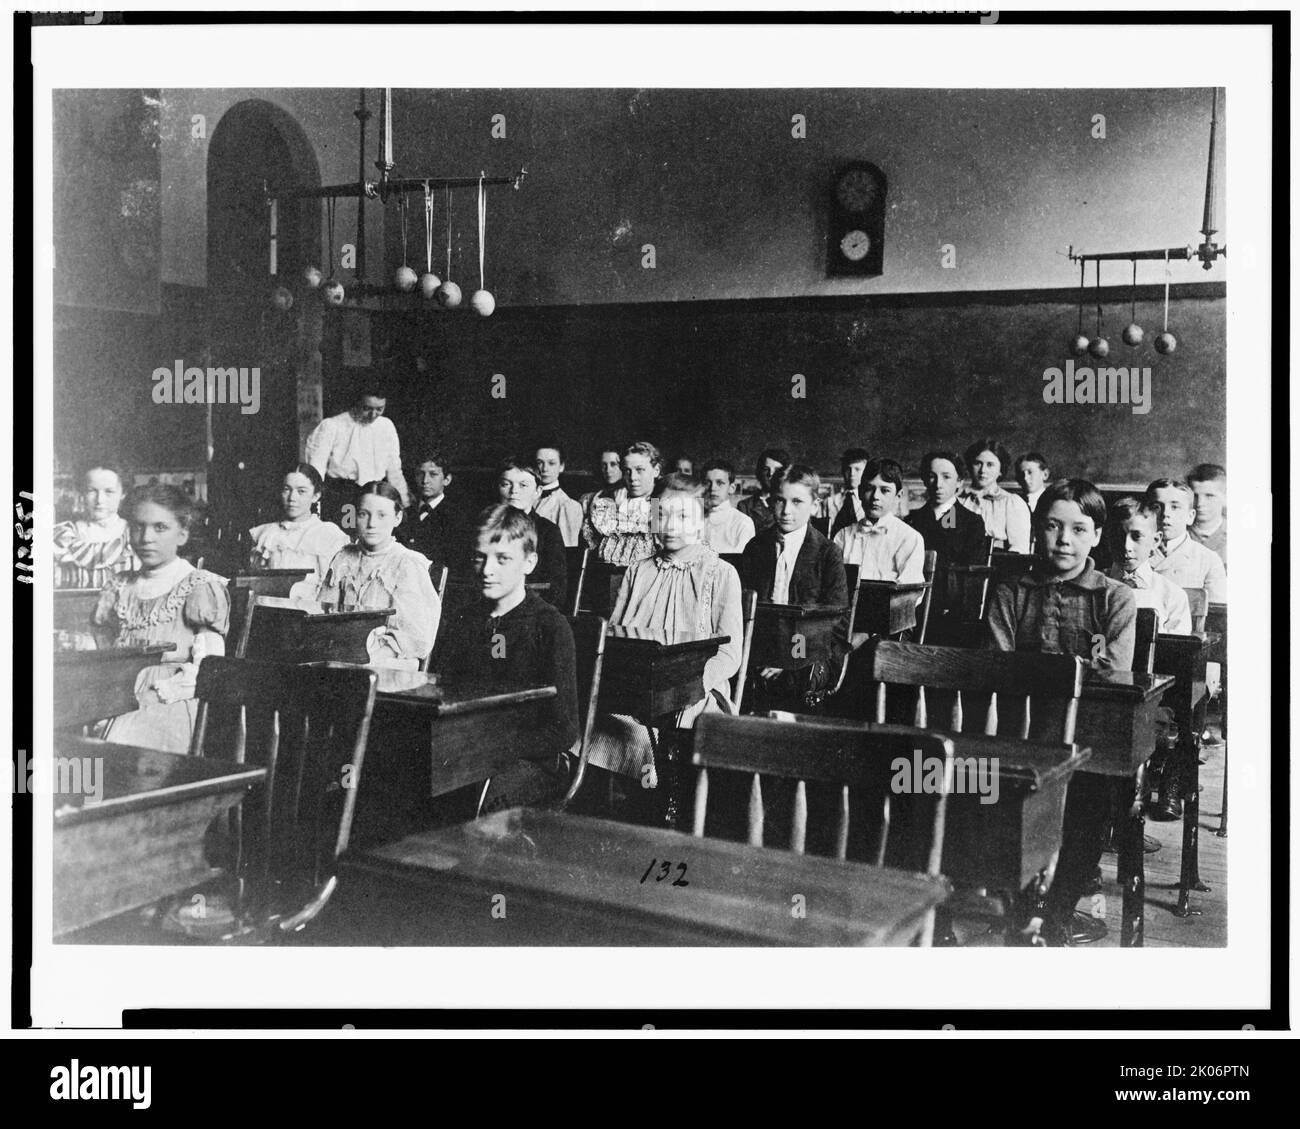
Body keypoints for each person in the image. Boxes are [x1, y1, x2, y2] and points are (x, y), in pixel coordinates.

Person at [985, 479, 1136, 946]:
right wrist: (1059, 673)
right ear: (1036, 530)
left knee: (1088, 805)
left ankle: (1060, 909)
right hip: (1022, 728)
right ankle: (1022, 900)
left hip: (1089, 736)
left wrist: (1043, 672)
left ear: (1096, 534)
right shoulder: (1012, 590)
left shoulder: (1114, 597)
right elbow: (998, 662)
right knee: (1003, 799)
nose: (1064, 539)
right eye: (1051, 526)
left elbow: (1113, 668)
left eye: (1078, 528)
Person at [585, 474, 743, 823]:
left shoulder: (721, 574)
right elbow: (615, 638)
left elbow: (729, 656)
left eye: (684, 516)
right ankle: (610, 813)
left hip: (696, 690)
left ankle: (662, 807)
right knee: (592, 717)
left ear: (701, 520)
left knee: (665, 727)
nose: (671, 525)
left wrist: (688, 688)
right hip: (637, 686)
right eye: (664, 514)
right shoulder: (637, 571)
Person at [431, 505, 581, 812]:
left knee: (486, 802)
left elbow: (563, 730)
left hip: (533, 760)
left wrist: (493, 745)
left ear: (529, 562)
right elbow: (441, 692)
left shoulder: (549, 626)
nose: (487, 570)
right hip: (468, 748)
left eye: (503, 559)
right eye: (480, 557)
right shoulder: (463, 618)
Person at [91, 485, 231, 754]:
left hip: (171, 704)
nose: (146, 538)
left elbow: (210, 669)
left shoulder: (198, 586)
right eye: (138, 527)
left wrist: (157, 694)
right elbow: (102, 654)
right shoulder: (119, 587)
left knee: (117, 755)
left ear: (183, 534)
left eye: (160, 528)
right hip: (117, 699)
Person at [741, 464, 849, 711]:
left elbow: (833, 622)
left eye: (797, 502)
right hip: (762, 645)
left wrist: (788, 657)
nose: (786, 511)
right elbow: (744, 610)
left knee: (794, 680)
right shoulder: (756, 547)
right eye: (780, 501)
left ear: (814, 504)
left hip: (809, 648)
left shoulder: (827, 552)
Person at [315, 481, 440, 670]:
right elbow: (323, 613)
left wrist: (364, 660)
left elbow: (413, 636)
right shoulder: (344, 557)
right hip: (344, 652)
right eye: (364, 514)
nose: (372, 524)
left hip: (389, 658)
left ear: (397, 518)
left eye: (382, 515)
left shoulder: (406, 563)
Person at [905, 450, 989, 644]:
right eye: (932, 477)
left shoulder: (971, 522)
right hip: (915, 607)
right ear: (925, 480)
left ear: (959, 482)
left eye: (946, 477)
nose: (938, 484)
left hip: (951, 611)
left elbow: (972, 578)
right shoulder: (912, 521)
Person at [304, 381, 410, 526]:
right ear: (357, 403)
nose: (373, 414)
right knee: (345, 538)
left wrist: (404, 501)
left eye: (380, 409)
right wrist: (312, 505)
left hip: (376, 494)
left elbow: (394, 470)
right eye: (367, 408)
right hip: (342, 495)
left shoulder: (386, 426)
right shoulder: (332, 425)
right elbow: (315, 470)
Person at [247, 463, 349, 585]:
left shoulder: (329, 534)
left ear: (316, 496)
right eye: (286, 489)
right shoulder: (265, 533)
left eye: (301, 491)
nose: (292, 498)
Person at [1105, 497, 1192, 633]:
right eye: (1118, 536)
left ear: (1155, 540)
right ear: (1109, 538)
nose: (1126, 546)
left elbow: (1175, 648)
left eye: (1136, 536)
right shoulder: (1094, 587)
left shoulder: (1172, 596)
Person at [832, 457, 926, 582]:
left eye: (885, 490)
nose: (875, 496)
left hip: (889, 601)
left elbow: (909, 593)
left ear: (898, 496)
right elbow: (832, 582)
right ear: (860, 492)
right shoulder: (843, 536)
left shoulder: (908, 537)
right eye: (869, 489)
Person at [496, 458, 568, 610]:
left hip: (530, 610)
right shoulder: (487, 527)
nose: (514, 491)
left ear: (538, 491)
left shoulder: (548, 531)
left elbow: (556, 588)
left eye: (523, 485)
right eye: (506, 484)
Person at [53, 462, 138, 589]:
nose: (100, 500)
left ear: (123, 493)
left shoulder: (134, 534)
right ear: (81, 492)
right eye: (91, 491)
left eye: (109, 492)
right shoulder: (63, 535)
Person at [1145, 478, 1227, 603]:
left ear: (1190, 516)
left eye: (1174, 507)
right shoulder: (1132, 553)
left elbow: (1216, 614)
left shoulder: (1208, 560)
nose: (1166, 513)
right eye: (1156, 507)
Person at [582, 440, 661, 568]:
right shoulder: (606, 505)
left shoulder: (659, 505)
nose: (633, 477)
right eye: (627, 471)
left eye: (640, 470)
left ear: (656, 470)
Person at [399, 450, 470, 582]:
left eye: (433, 474)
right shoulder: (404, 513)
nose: (425, 481)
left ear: (447, 480)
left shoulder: (456, 518)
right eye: (420, 474)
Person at [960, 438, 1032, 553]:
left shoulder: (1012, 503)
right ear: (969, 466)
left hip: (998, 564)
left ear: (1000, 470)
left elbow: (1019, 549)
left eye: (990, 465)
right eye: (978, 463)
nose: (983, 470)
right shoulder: (957, 500)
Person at [699, 458, 756, 553]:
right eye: (707, 483)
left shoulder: (742, 522)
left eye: (720, 483)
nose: (713, 488)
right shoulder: (694, 519)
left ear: (731, 488)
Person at [736, 447, 791, 536]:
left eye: (777, 470)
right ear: (759, 472)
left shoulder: (791, 503)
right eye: (766, 469)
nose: (771, 474)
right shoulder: (745, 506)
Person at [822, 447, 872, 539]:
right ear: (842, 471)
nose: (852, 473)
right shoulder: (829, 502)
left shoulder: (871, 501)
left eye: (857, 469)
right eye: (848, 469)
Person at [1186, 462, 1227, 566]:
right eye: (1195, 496)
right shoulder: (1178, 533)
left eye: (1209, 496)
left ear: (1225, 498)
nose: (1200, 503)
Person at [578, 445, 624, 521]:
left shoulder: (633, 496)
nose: (608, 470)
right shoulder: (590, 498)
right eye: (604, 465)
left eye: (613, 464)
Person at [1014, 451, 1051, 517]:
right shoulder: (1014, 502)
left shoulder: (1051, 501)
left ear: (1045, 474)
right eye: (1022, 474)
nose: (1025, 478)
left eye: (1030, 472)